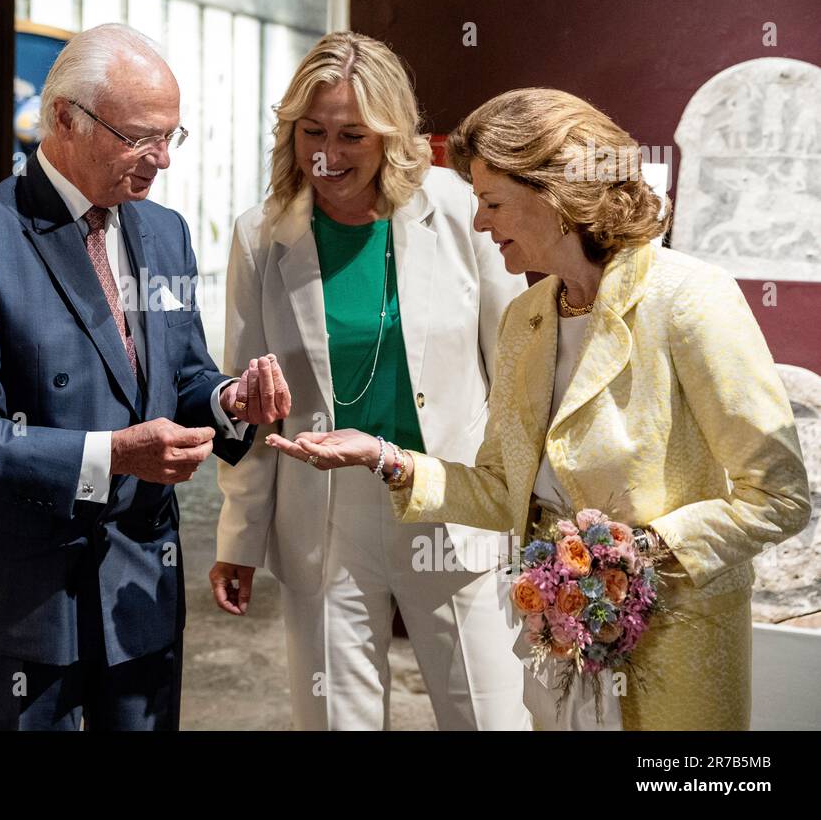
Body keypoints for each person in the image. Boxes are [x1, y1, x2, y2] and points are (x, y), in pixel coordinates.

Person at [269, 87, 812, 729]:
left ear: (557, 198)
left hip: (674, 655)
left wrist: (634, 554)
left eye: (492, 202)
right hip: (560, 662)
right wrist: (384, 458)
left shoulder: (691, 300)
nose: (478, 224)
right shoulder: (528, 318)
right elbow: (505, 491)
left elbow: (778, 497)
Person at [0, 23, 291, 730]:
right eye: (141, 137)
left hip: (140, 596)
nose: (163, 160)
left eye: (173, 136)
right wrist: (110, 457)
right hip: (24, 610)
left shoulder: (164, 232)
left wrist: (230, 400)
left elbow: (183, 377)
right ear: (63, 119)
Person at [211, 32, 529, 730]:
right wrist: (238, 536)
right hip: (326, 517)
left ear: (390, 134)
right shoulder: (260, 237)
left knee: (490, 715)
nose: (328, 153)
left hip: (448, 500)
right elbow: (247, 407)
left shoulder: (456, 209)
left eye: (352, 134)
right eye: (311, 131)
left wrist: (531, 504)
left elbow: (515, 374)